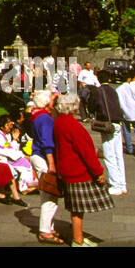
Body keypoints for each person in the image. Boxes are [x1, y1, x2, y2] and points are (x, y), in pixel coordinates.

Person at [52, 94, 112, 246]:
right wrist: (98, 172)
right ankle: (77, 240)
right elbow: (86, 151)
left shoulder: (59, 122)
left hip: (67, 169)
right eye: (76, 105)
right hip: (77, 171)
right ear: (72, 107)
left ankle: (78, 237)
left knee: (76, 208)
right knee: (78, 209)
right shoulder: (72, 125)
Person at [28, 89, 62, 243]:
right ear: (47, 103)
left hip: (36, 155)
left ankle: (48, 226)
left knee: (46, 194)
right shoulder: (45, 119)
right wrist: (52, 164)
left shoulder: (37, 116)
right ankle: (45, 230)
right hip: (43, 157)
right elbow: (47, 142)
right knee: (50, 194)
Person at [88, 80, 127, 195]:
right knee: (118, 154)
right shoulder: (113, 90)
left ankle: (115, 185)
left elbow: (91, 106)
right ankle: (122, 184)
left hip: (107, 124)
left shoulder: (98, 91)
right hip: (117, 123)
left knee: (109, 154)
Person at [0, 113, 36, 193]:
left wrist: (14, 140)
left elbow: (9, 148)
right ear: (2, 127)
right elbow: (5, 151)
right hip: (3, 159)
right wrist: (22, 156)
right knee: (26, 165)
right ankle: (24, 187)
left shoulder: (5, 135)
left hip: (11, 157)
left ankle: (28, 185)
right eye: (8, 125)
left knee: (28, 162)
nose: (10, 127)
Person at [116, 69, 135, 157]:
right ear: (129, 79)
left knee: (126, 130)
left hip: (125, 112)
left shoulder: (118, 89)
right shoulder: (133, 88)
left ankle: (129, 148)